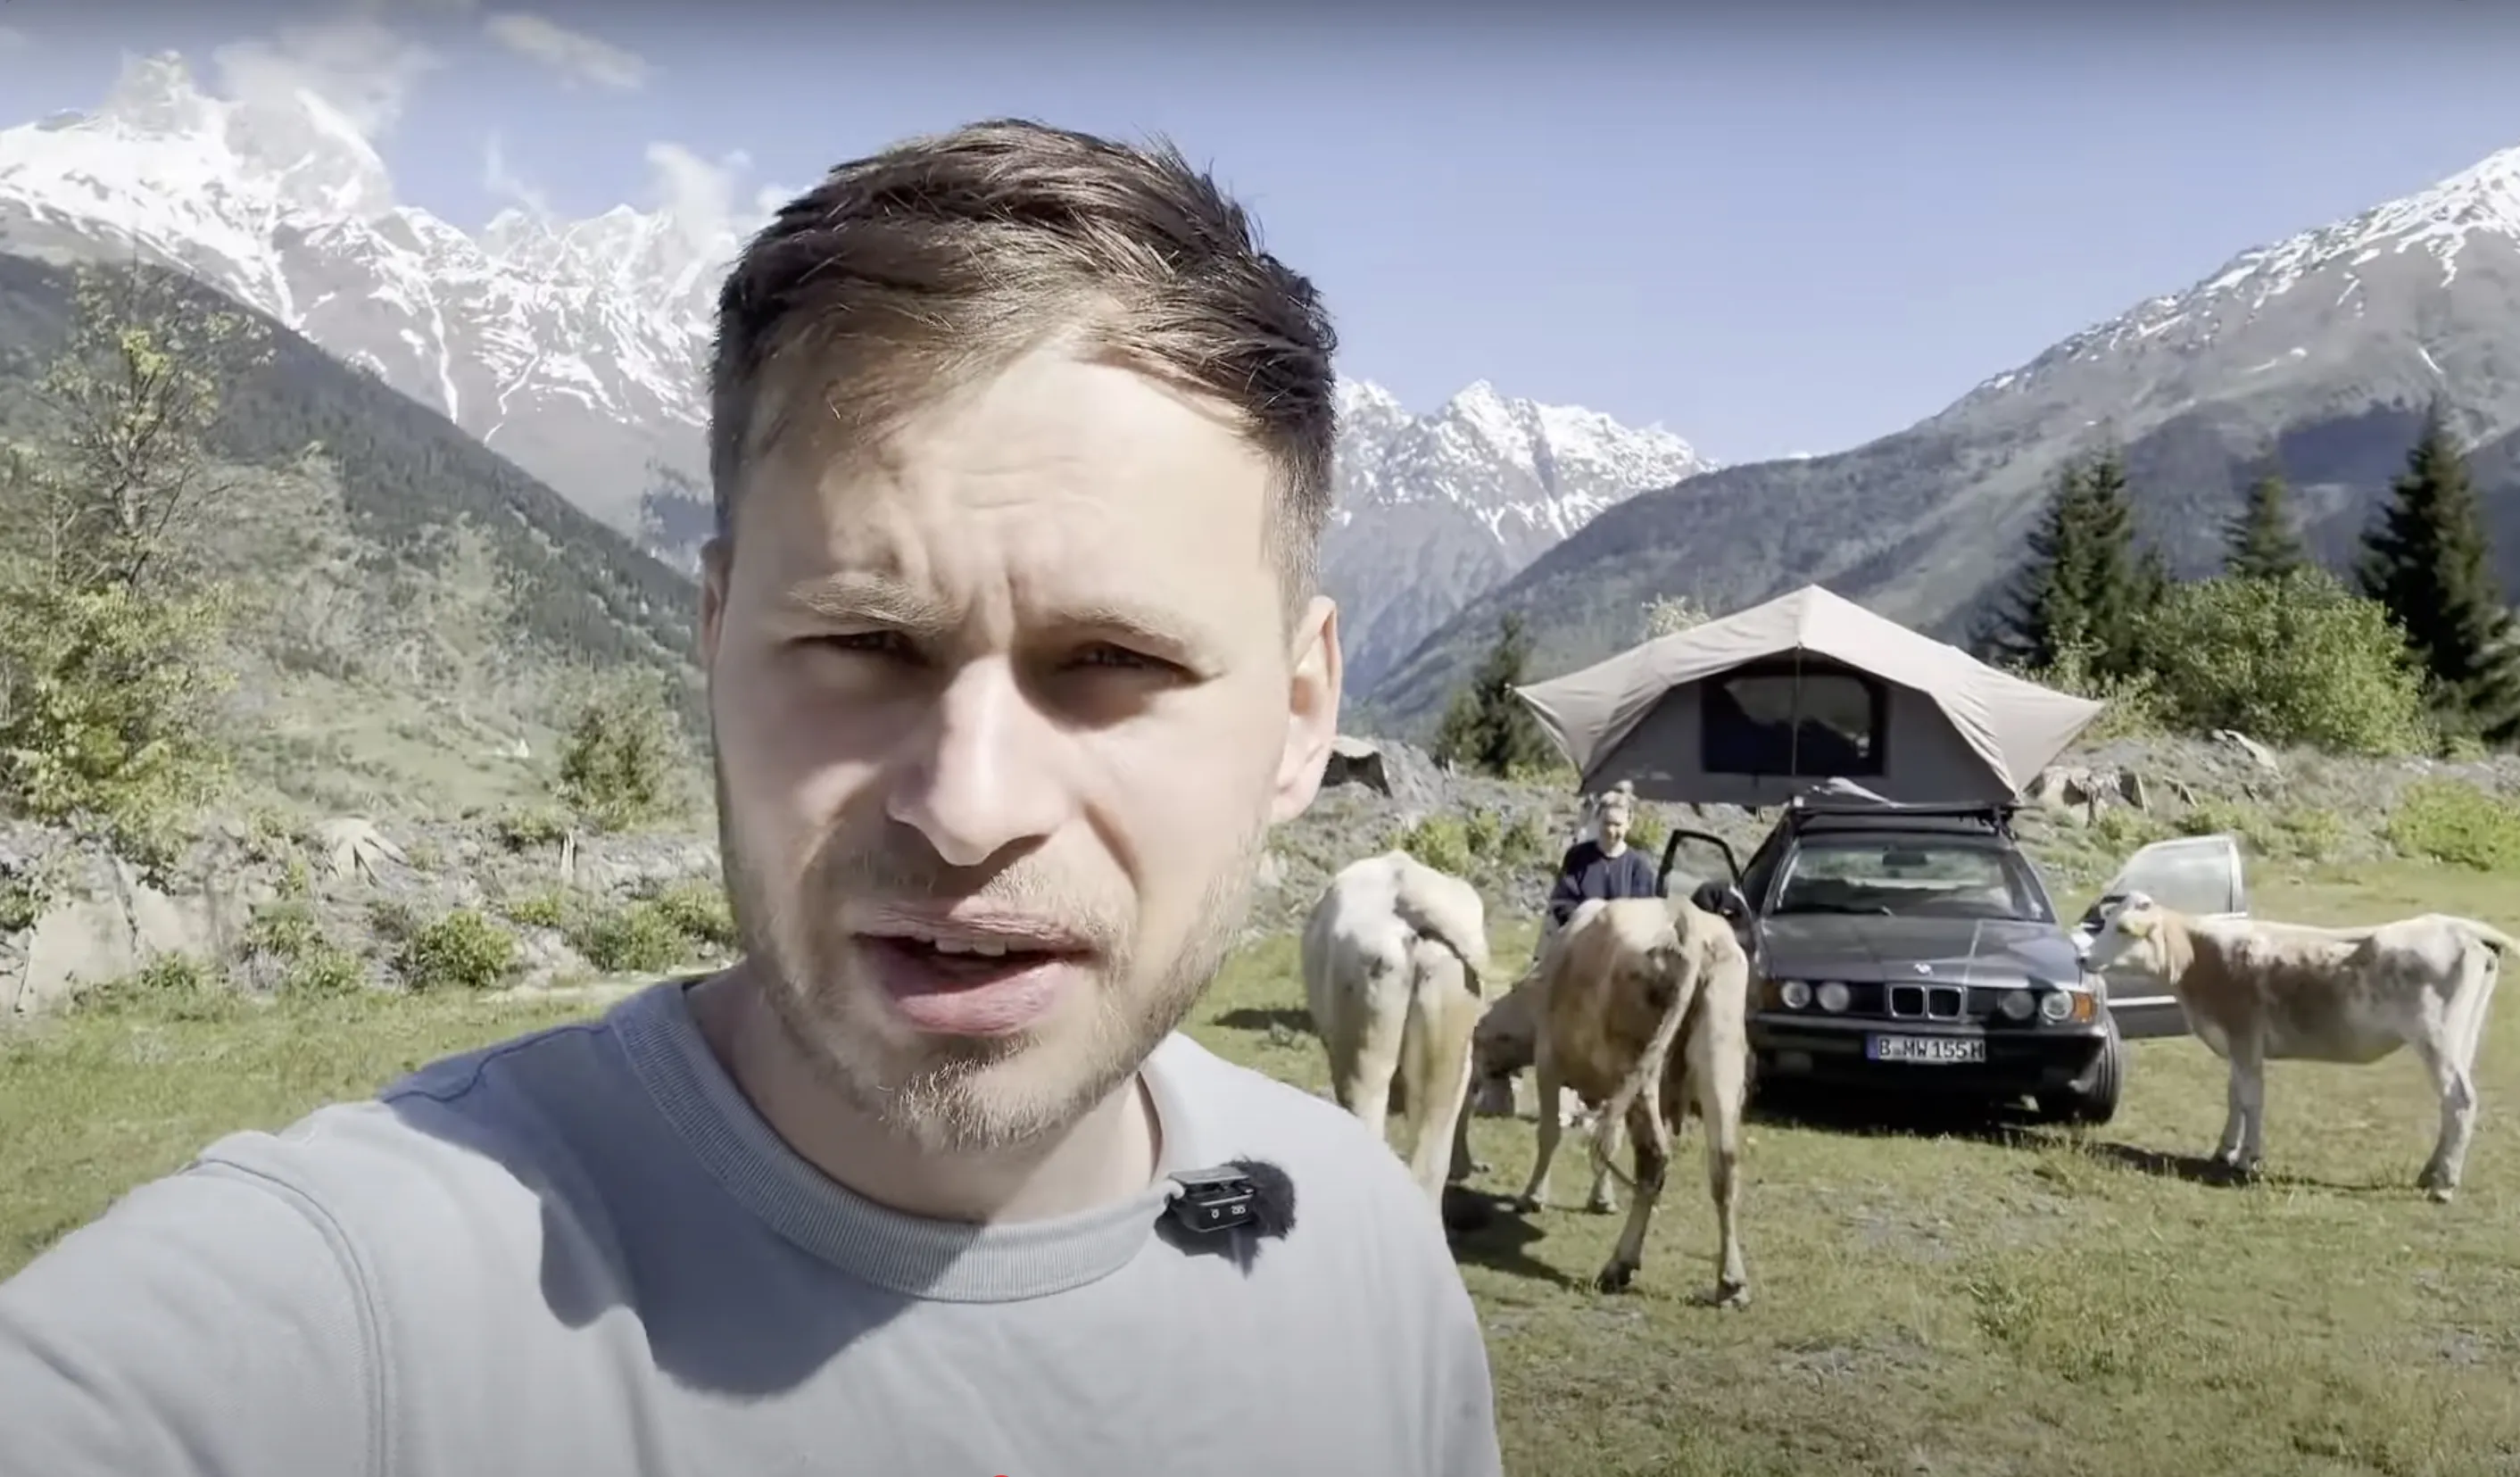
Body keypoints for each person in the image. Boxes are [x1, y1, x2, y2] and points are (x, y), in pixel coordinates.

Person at [0, 120, 1505, 1477]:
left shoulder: (1363, 1258)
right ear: (713, 644)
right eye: (860, 644)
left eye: (1109, 660)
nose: (966, 809)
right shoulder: (337, 1322)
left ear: (1300, 716)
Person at [1545, 783, 1661, 930]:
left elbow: (1644, 915)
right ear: (1598, 819)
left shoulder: (1640, 868)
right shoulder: (1578, 855)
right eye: (1607, 823)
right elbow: (1563, 901)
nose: (1611, 831)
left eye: (1617, 825)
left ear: (1628, 824)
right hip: (1578, 935)